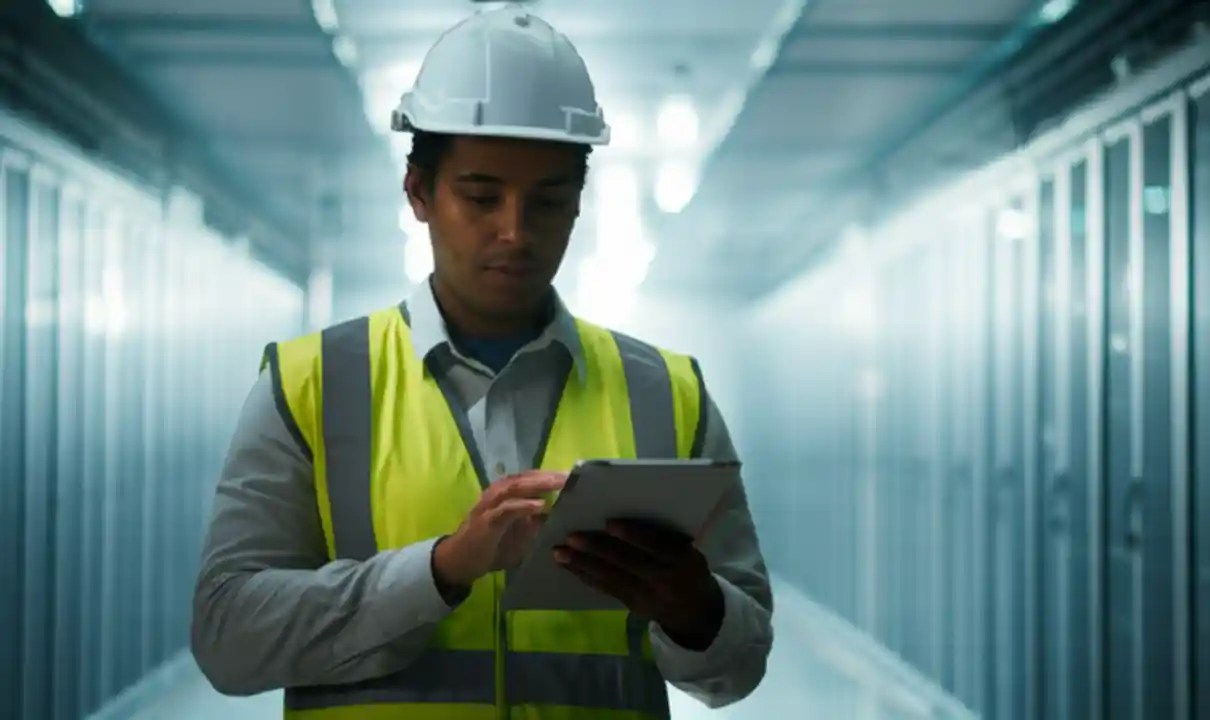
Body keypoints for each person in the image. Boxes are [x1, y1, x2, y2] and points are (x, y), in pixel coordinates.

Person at [190, 5, 773, 718]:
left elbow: (739, 666)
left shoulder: (667, 393)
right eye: (481, 195)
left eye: (548, 201)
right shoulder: (309, 384)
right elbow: (227, 636)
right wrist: (441, 569)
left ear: (579, 203)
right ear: (418, 193)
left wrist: (697, 610)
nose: (515, 231)